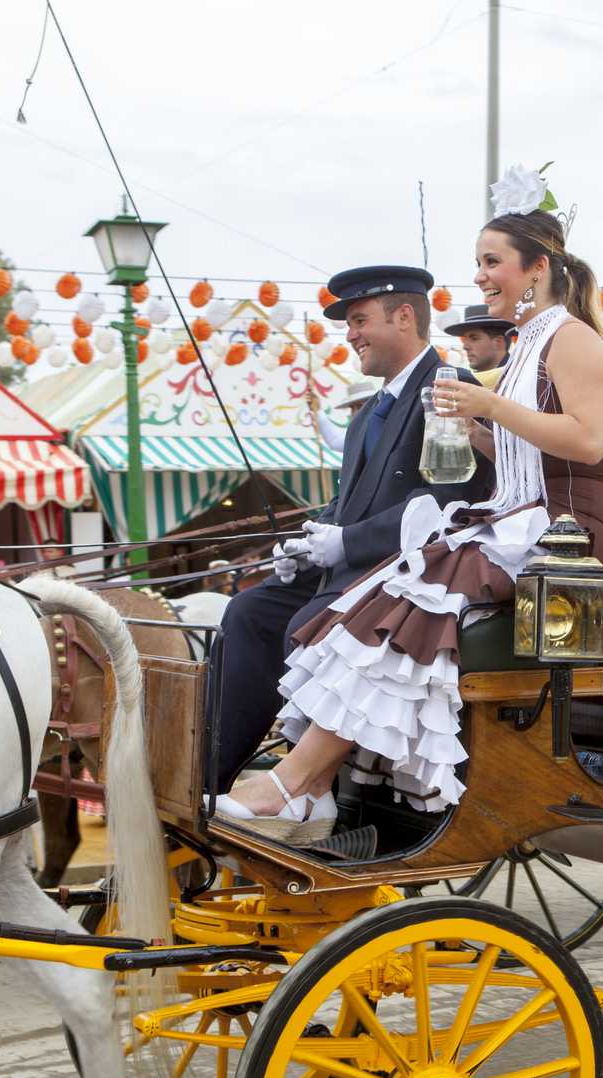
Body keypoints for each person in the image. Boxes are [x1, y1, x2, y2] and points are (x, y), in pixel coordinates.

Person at [220, 192, 603, 833]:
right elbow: (526, 444)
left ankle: (297, 781)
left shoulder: (571, 338)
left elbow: (589, 441)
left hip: (565, 529)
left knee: (409, 599)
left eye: (492, 261)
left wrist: (487, 409)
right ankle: (312, 780)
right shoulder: (526, 343)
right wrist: (475, 427)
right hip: (518, 514)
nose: (482, 276)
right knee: (383, 591)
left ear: (536, 268)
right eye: (479, 261)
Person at [210, 265, 491, 804]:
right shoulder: (368, 415)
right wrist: (309, 542)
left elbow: (443, 501)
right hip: (350, 573)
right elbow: (347, 503)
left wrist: (347, 543)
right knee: (247, 612)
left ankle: (309, 786)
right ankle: (210, 777)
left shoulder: (448, 389)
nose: (350, 334)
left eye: (360, 320)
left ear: (404, 317)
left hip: (405, 576)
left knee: (302, 625)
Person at [443, 302, 513, 373]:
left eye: (474, 338)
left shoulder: (520, 378)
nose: (465, 347)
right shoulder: (467, 379)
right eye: (465, 339)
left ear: (498, 342)